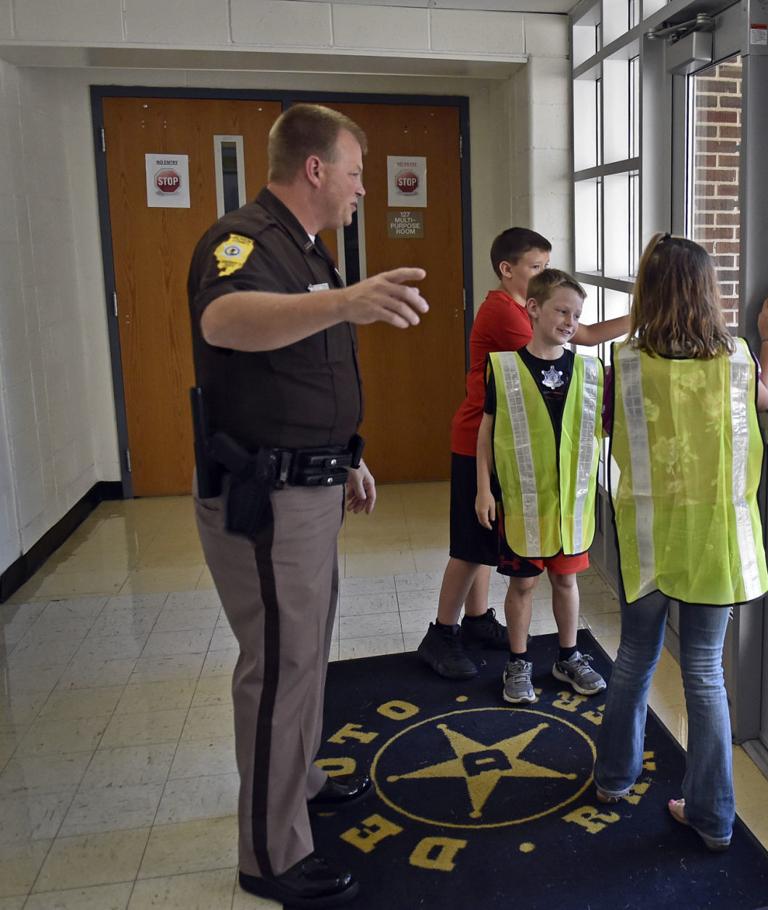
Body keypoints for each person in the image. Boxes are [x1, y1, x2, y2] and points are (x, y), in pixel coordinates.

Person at [188, 104, 430, 909]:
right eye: (356, 172)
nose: (362, 188)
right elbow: (224, 321)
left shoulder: (305, 250)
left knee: (305, 652)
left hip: (312, 482)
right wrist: (343, 302)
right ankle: (269, 856)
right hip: (268, 495)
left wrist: (346, 457)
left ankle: (298, 783)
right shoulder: (243, 241)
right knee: (279, 668)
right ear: (316, 169)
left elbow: (301, 378)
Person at [592, 233, 768, 852]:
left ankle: (614, 779)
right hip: (712, 539)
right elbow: (764, 399)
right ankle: (712, 816)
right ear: (708, 292)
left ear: (647, 292)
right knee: (703, 673)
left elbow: (607, 427)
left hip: (648, 535)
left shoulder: (625, 361)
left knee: (634, 656)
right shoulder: (736, 361)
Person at [416, 228, 629, 679]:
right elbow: (581, 337)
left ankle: (476, 620)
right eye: (536, 267)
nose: (544, 273)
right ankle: (442, 632)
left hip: (510, 443)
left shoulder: (515, 305)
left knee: (487, 541)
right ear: (507, 270)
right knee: (471, 544)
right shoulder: (506, 313)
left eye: (546, 266)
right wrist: (641, 314)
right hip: (481, 439)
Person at [474, 269, 607, 704]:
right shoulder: (504, 368)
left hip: (570, 507)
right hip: (523, 505)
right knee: (524, 586)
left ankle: (568, 656)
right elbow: (486, 432)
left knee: (567, 582)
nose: (571, 322)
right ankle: (518, 661)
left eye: (577, 315)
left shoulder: (589, 371)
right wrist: (483, 489)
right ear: (533, 308)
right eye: (562, 311)